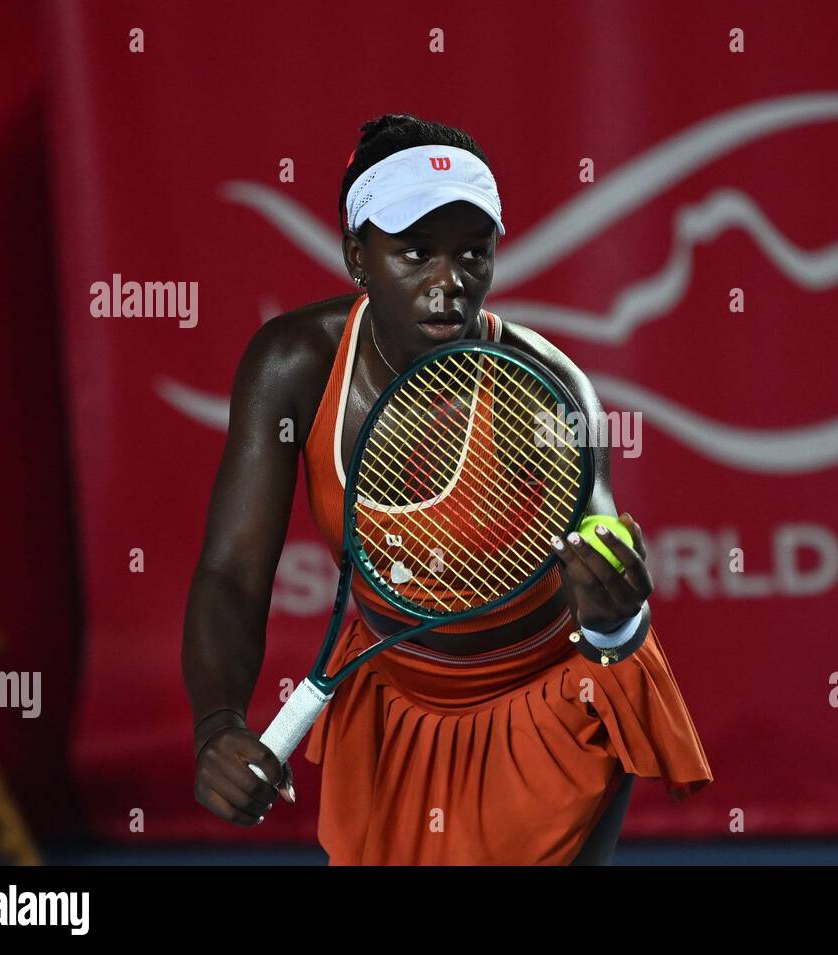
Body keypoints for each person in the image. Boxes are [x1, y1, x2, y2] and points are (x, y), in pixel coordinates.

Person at [182, 113, 712, 864]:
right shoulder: (291, 366)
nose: (448, 283)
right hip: (395, 704)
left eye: (472, 253)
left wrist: (613, 613)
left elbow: (604, 569)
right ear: (355, 254)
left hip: (549, 707)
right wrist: (217, 725)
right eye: (415, 253)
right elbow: (233, 573)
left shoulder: (549, 390)